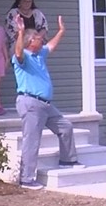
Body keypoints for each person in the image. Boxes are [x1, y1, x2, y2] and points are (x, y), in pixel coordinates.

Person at [12, 12, 83, 190]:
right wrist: (20, 32)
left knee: (65, 126)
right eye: (37, 37)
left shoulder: (40, 54)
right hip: (30, 103)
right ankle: (27, 179)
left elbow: (51, 45)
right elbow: (18, 51)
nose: (41, 39)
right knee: (32, 140)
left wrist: (61, 31)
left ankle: (67, 160)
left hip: (45, 105)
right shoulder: (23, 57)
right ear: (30, 42)